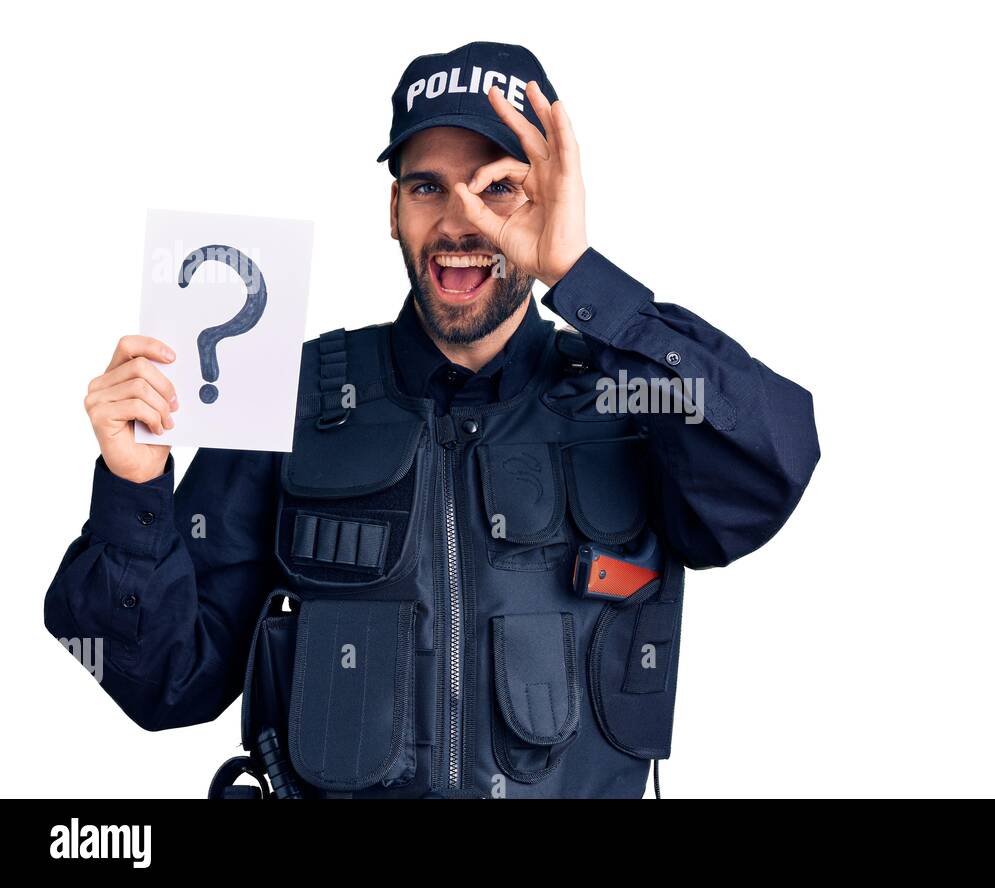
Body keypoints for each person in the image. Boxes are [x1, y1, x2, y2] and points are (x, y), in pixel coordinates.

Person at [45, 41, 820, 798]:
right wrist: (133, 486)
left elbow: (772, 462)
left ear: (549, 201)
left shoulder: (624, 394)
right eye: (427, 188)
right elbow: (165, 684)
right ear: (392, 209)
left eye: (499, 187)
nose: (461, 221)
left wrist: (582, 276)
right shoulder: (284, 389)